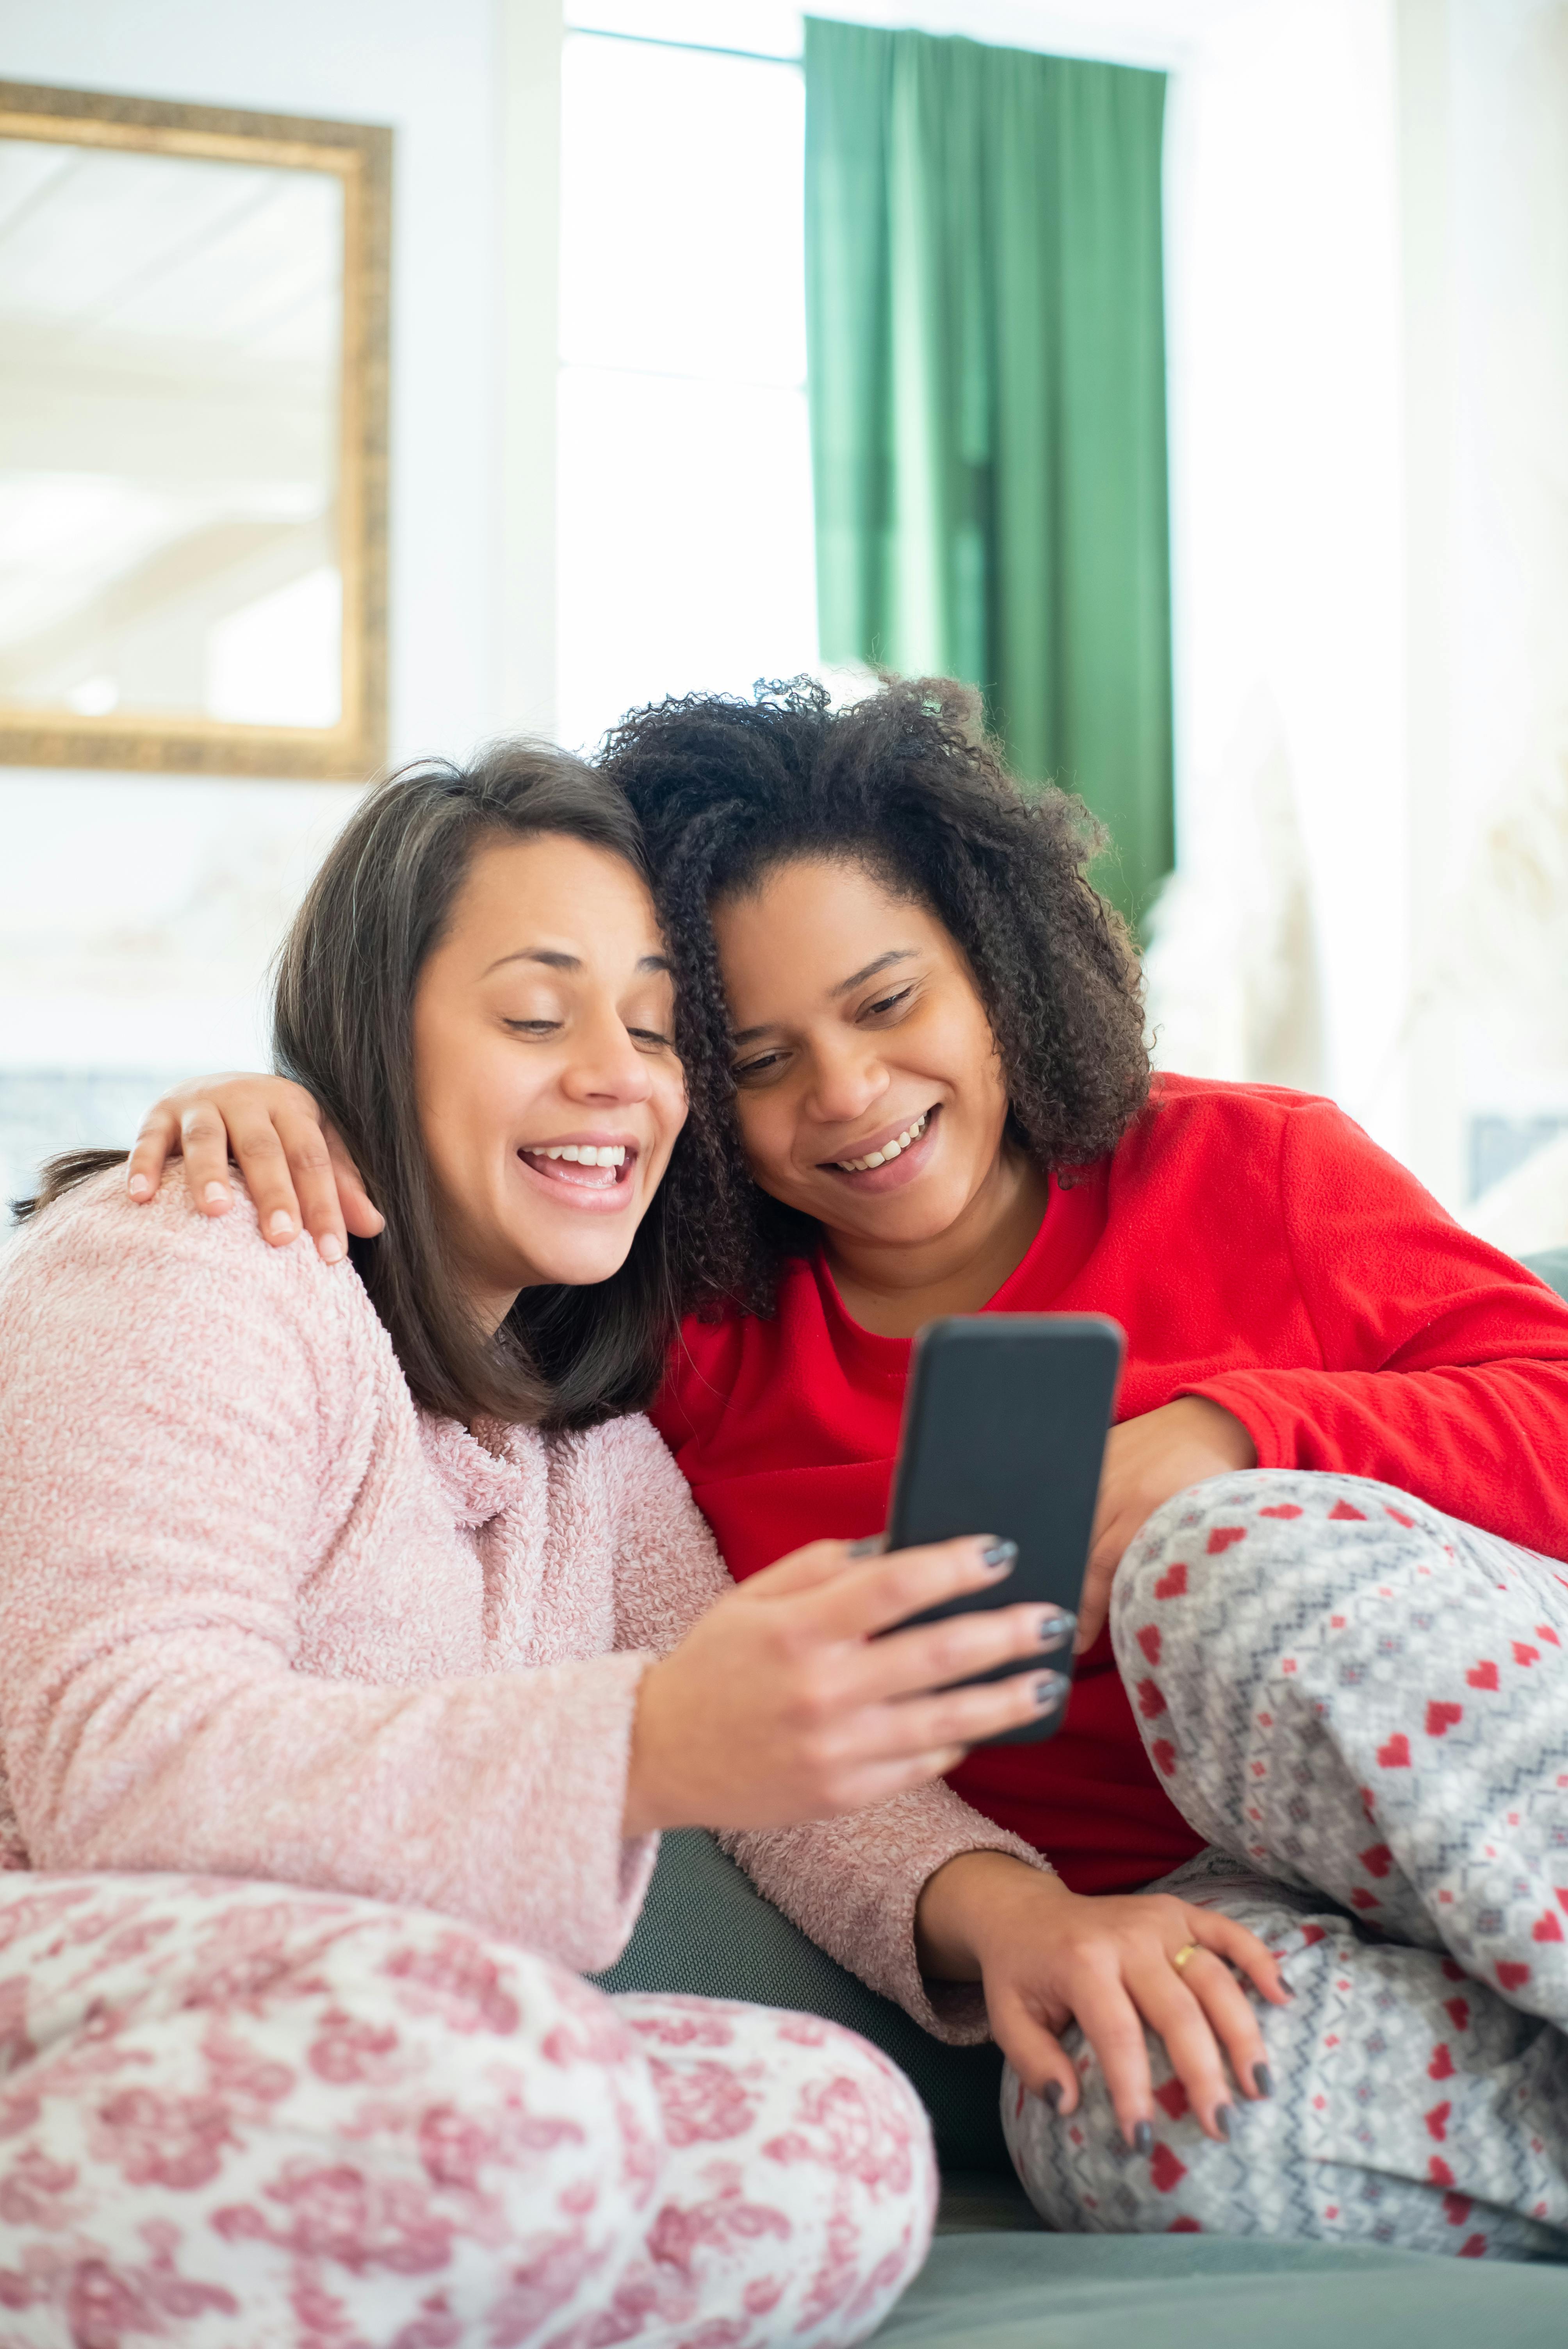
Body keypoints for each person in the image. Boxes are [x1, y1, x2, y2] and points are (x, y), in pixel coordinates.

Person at [125, 679, 1568, 2260]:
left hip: (1453, 1762)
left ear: (995, 966)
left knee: (1209, 1573)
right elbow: (442, 1282)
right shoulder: (676, 1353)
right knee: (1104, 2103)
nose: (848, 1095)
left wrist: (1235, 1437)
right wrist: (281, 1110)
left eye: (888, 1005)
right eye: (756, 1057)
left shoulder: (1252, 1166)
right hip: (1196, 1913)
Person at [0, 741, 1142, 2345]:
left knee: (830, 2140)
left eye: (660, 1029)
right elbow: (104, 1764)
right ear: (369, 1042)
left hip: (385, 2044)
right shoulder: (197, 1263)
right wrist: (637, 1744)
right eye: (537, 1016)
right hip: (70, 1986)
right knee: (513, 2078)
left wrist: (1006, 1908)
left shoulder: (579, 1455)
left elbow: (802, 1796)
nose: (620, 1072)